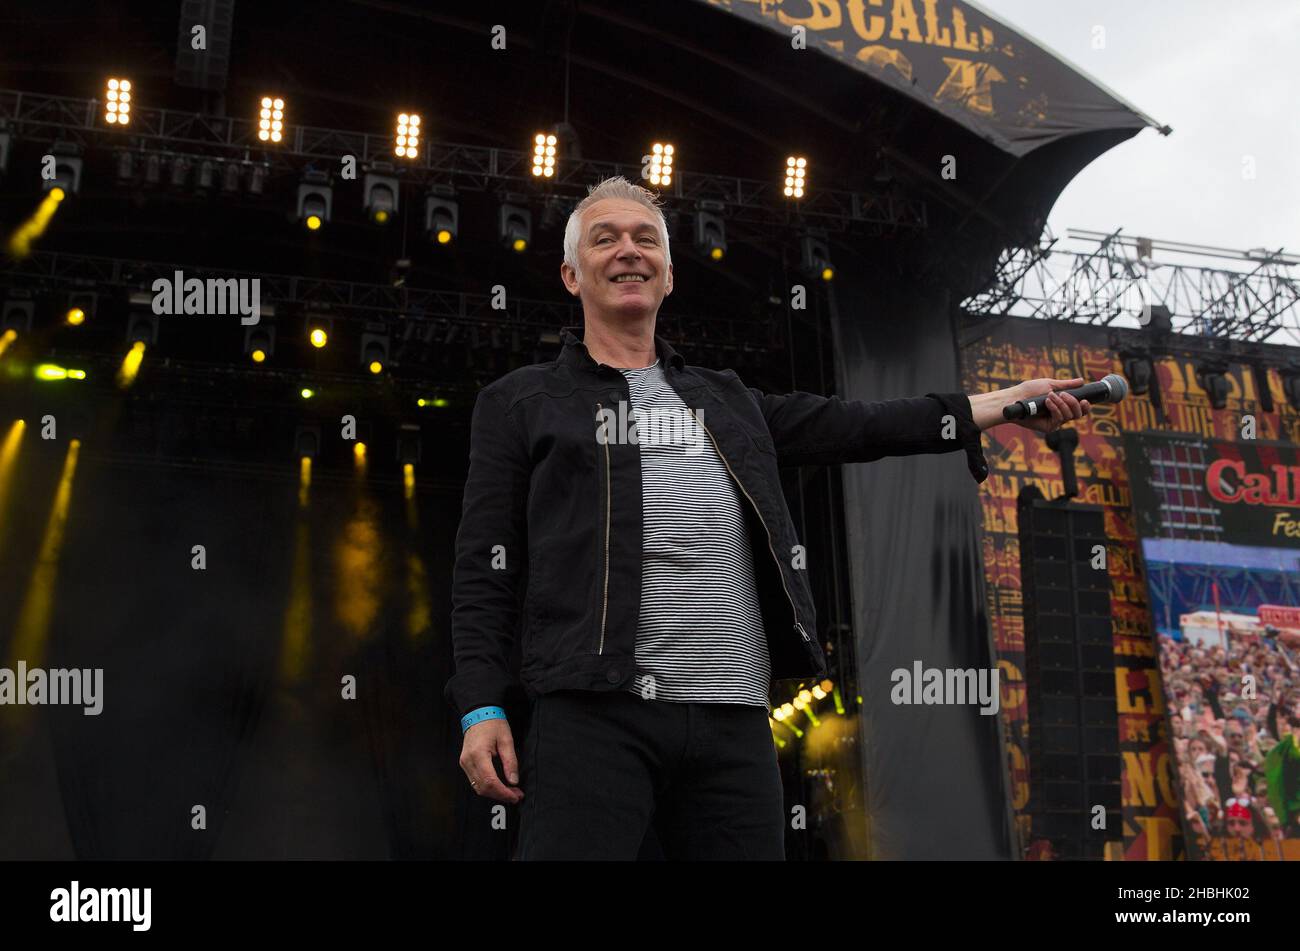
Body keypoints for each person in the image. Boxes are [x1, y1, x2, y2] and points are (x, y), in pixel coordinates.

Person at [446, 175, 1091, 860]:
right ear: (572, 275)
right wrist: (482, 703)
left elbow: (860, 425)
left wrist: (1005, 401)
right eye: (605, 239)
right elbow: (484, 567)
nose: (628, 251)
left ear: (668, 275)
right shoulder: (520, 403)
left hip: (732, 721)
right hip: (593, 710)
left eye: (646, 240)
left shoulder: (727, 401)